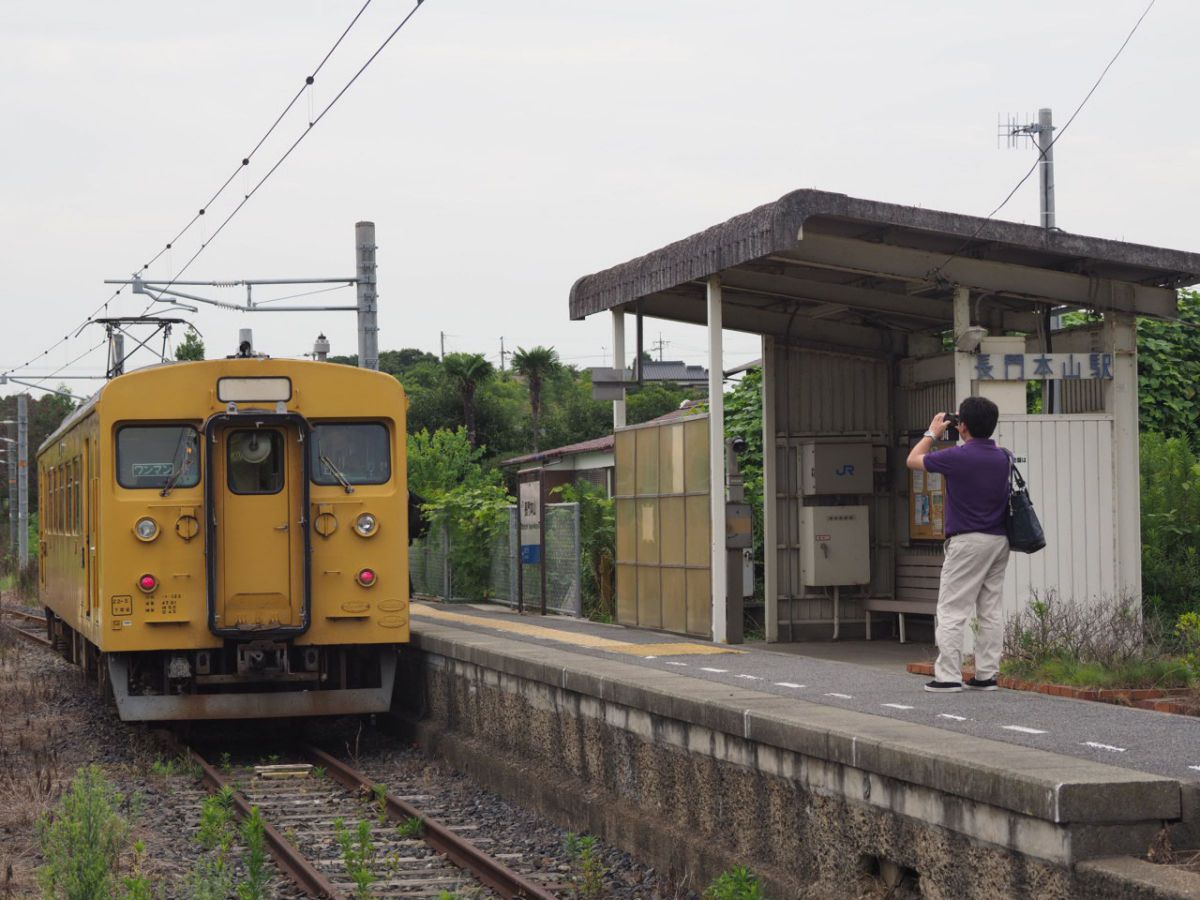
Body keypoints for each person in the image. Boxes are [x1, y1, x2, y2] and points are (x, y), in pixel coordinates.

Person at [906, 396, 1010, 693]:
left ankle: (948, 676)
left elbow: (912, 460)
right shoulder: (1005, 456)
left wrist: (932, 433)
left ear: (961, 426)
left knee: (952, 609)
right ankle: (987, 675)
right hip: (999, 540)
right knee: (990, 609)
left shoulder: (957, 456)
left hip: (967, 541)